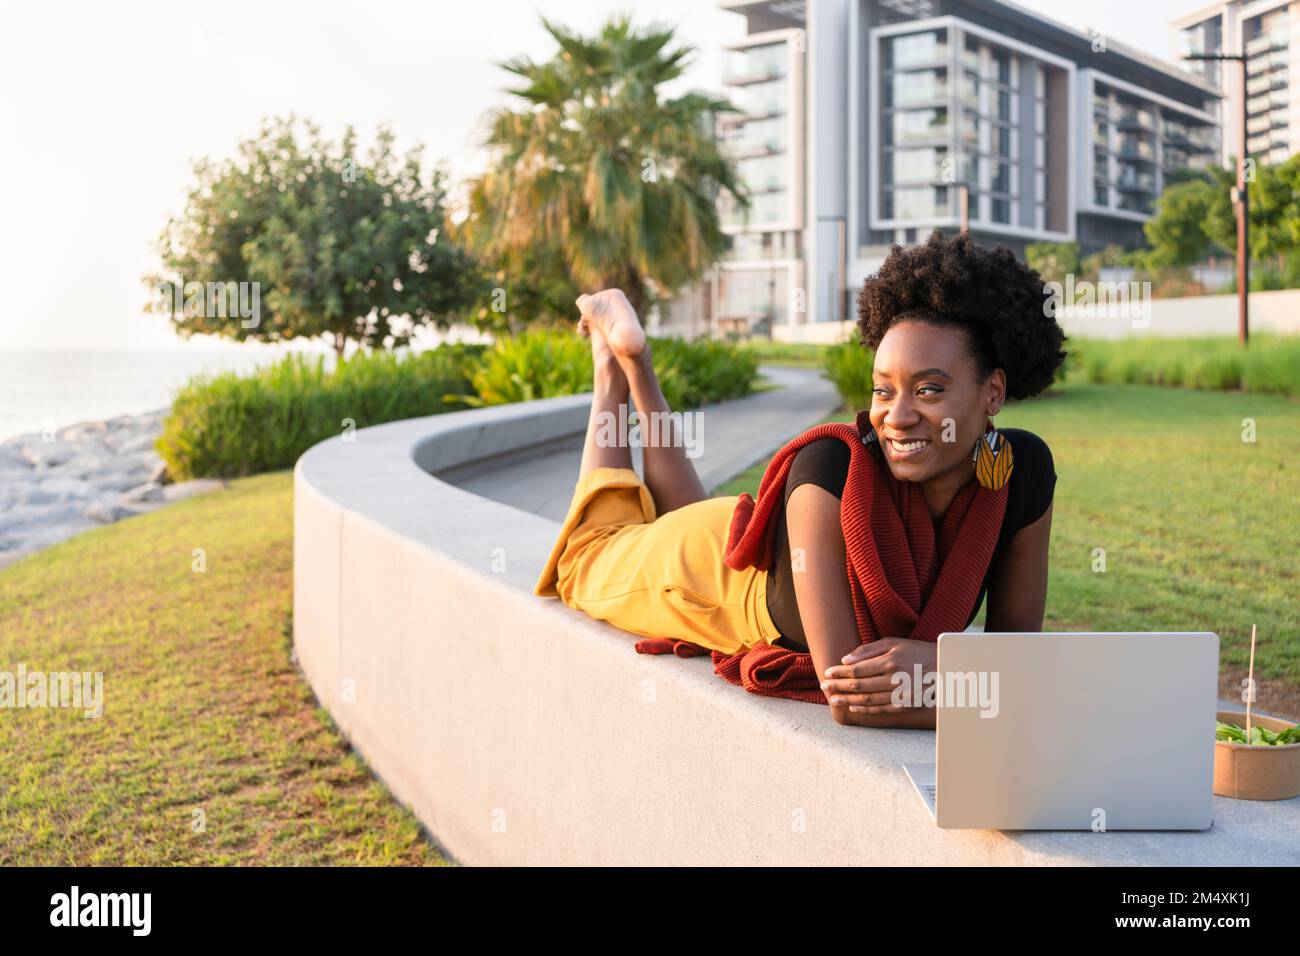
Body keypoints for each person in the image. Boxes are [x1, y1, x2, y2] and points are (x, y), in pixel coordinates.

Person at [534, 230, 1067, 729]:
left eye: (928, 390)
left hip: (741, 538)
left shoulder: (1023, 473)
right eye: (883, 390)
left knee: (678, 510)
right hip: (695, 575)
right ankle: (611, 367)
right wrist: (970, 678)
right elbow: (850, 694)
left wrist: (959, 672)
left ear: (993, 392)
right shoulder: (830, 466)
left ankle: (635, 359)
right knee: (588, 552)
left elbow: (1018, 650)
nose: (897, 417)